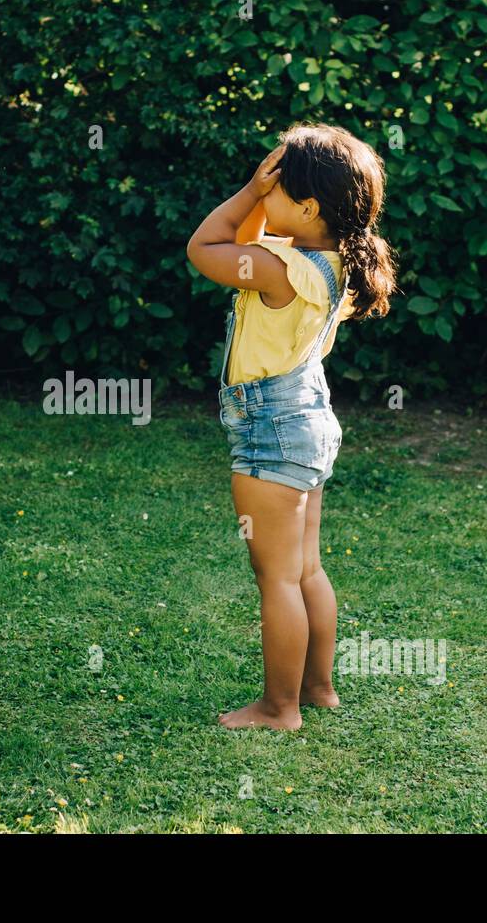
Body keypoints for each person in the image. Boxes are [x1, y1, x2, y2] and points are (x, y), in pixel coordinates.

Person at [186, 123, 397, 730]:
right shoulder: (331, 267)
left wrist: (249, 193)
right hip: (308, 421)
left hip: (271, 430)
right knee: (306, 569)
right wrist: (263, 199)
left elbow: (206, 247)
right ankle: (318, 689)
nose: (264, 190)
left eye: (276, 185)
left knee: (275, 577)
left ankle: (279, 708)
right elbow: (240, 243)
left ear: (305, 208)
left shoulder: (279, 267)